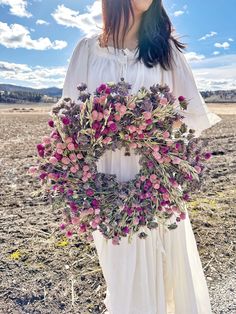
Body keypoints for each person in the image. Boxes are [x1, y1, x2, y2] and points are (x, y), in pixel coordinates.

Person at [62, 1, 222, 313]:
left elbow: (190, 116)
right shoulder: (86, 50)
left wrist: (149, 128)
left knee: (156, 269)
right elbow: (69, 121)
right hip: (103, 185)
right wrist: (77, 181)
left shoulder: (165, 52)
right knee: (121, 274)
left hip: (152, 181)